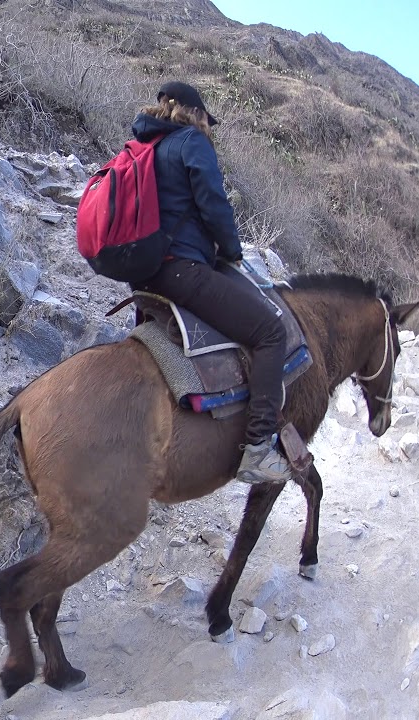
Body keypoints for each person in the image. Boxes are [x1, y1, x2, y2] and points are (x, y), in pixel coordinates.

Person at [130, 81, 290, 484]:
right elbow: (214, 205)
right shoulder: (191, 142)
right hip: (182, 269)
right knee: (270, 332)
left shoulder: (146, 144)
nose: (209, 126)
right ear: (196, 113)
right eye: (207, 118)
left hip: (144, 273)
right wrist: (232, 250)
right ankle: (257, 450)